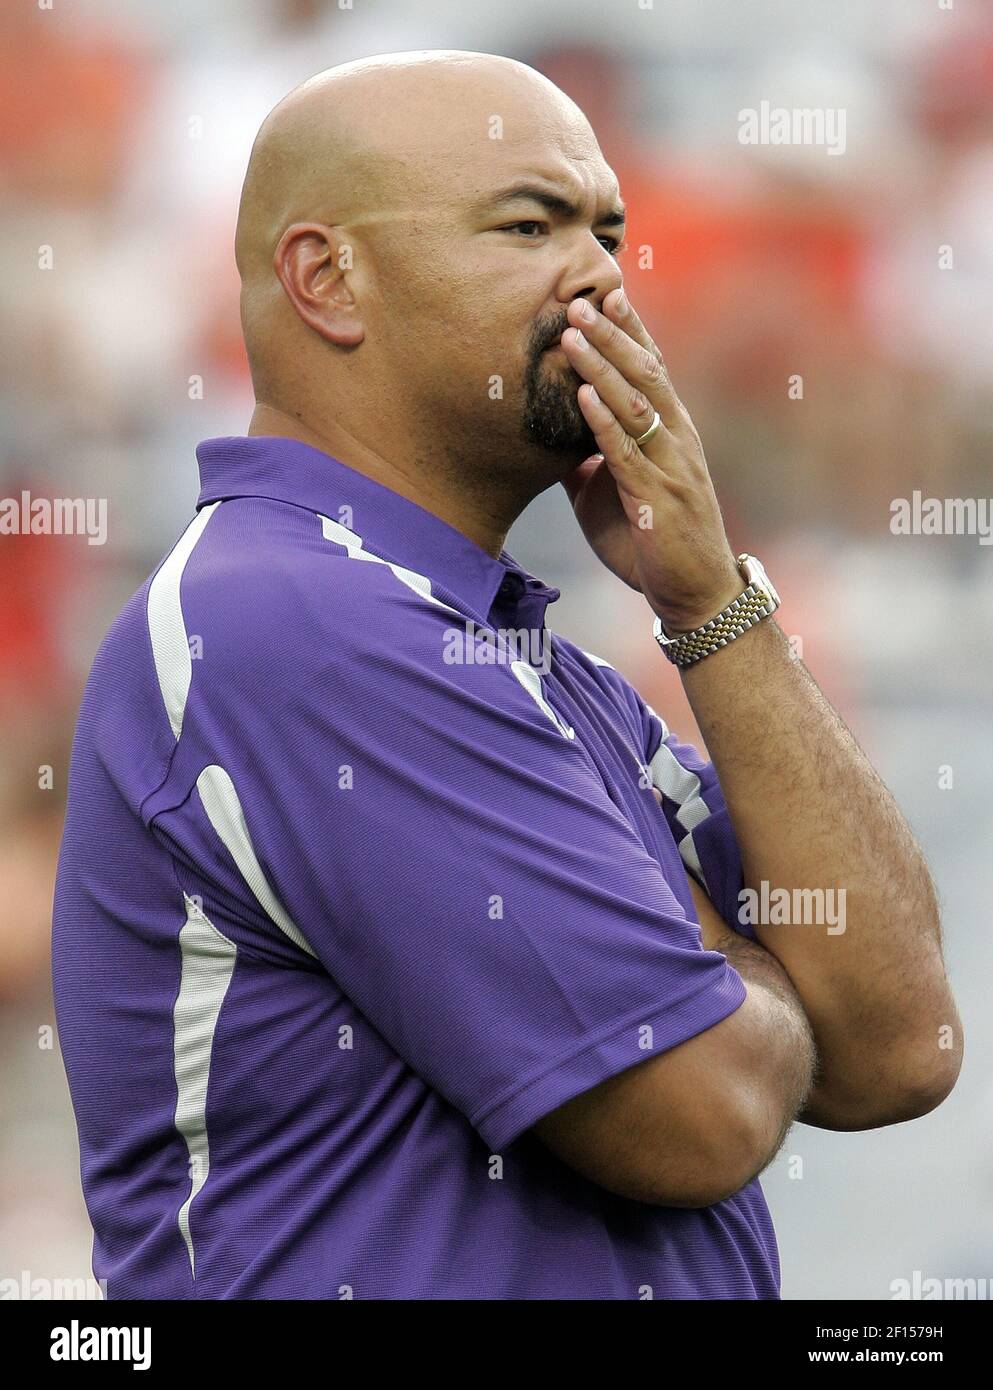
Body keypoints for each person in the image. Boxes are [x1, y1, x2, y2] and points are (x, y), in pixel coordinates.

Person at [52, 50, 961, 1300]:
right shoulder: (290, 620)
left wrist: (711, 603)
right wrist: (737, 969)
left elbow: (905, 1042)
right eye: (531, 225)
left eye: (610, 230)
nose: (598, 274)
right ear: (328, 280)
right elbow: (705, 1106)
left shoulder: (528, 657)